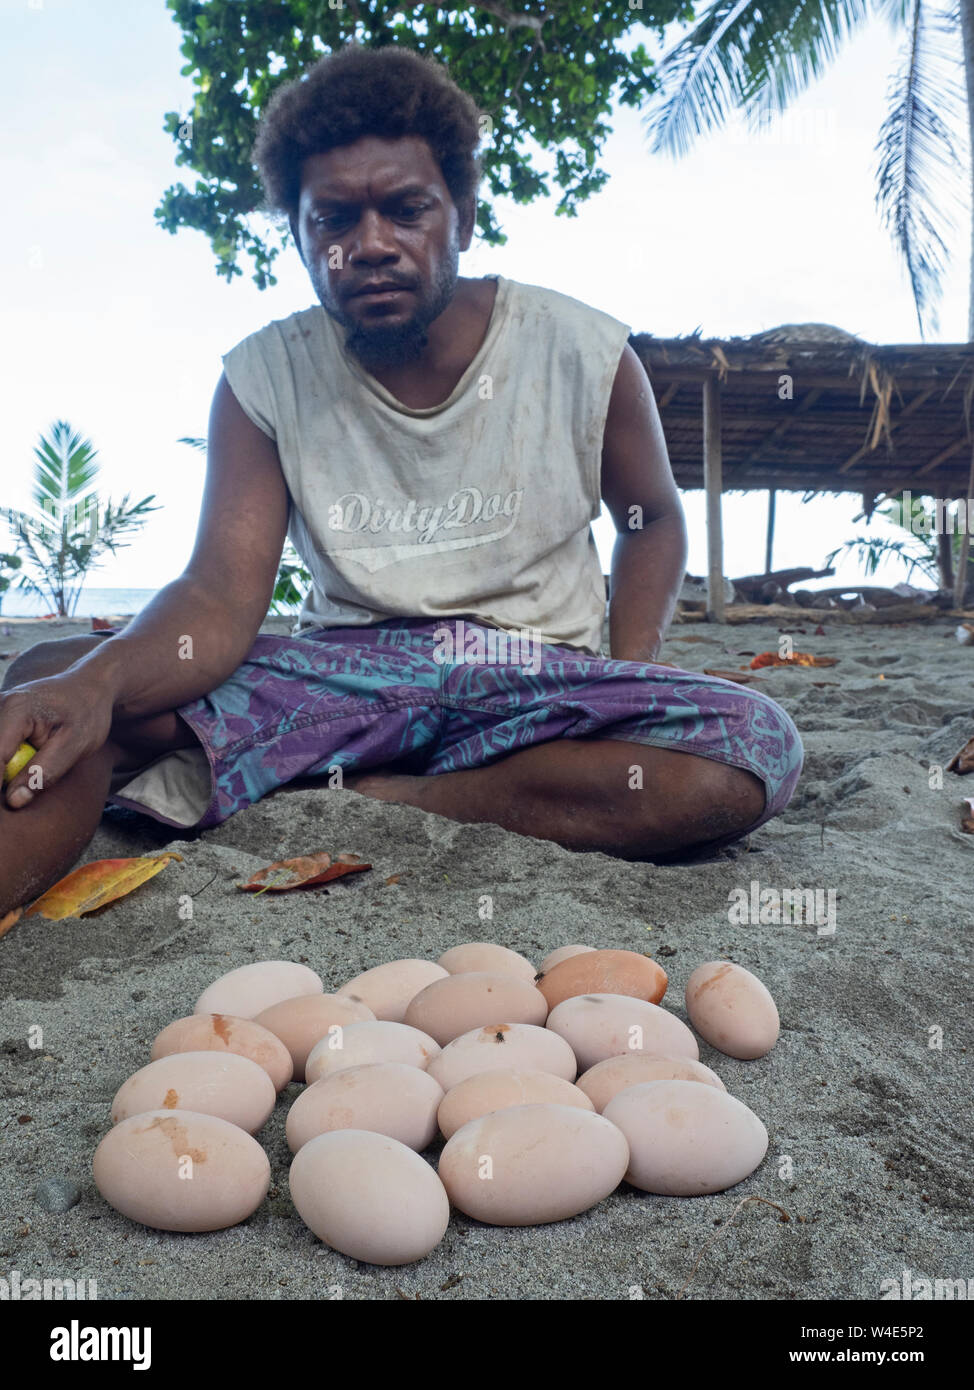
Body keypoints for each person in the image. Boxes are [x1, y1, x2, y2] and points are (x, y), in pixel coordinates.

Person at [0, 46, 802, 917]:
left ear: (461, 212)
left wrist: (626, 669)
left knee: (749, 746)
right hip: (341, 679)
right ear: (300, 233)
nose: (370, 245)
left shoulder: (583, 351)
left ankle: (399, 798)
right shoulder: (264, 377)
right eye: (334, 219)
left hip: (530, 673)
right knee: (54, 681)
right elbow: (220, 596)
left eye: (406, 210)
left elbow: (649, 521)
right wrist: (101, 682)